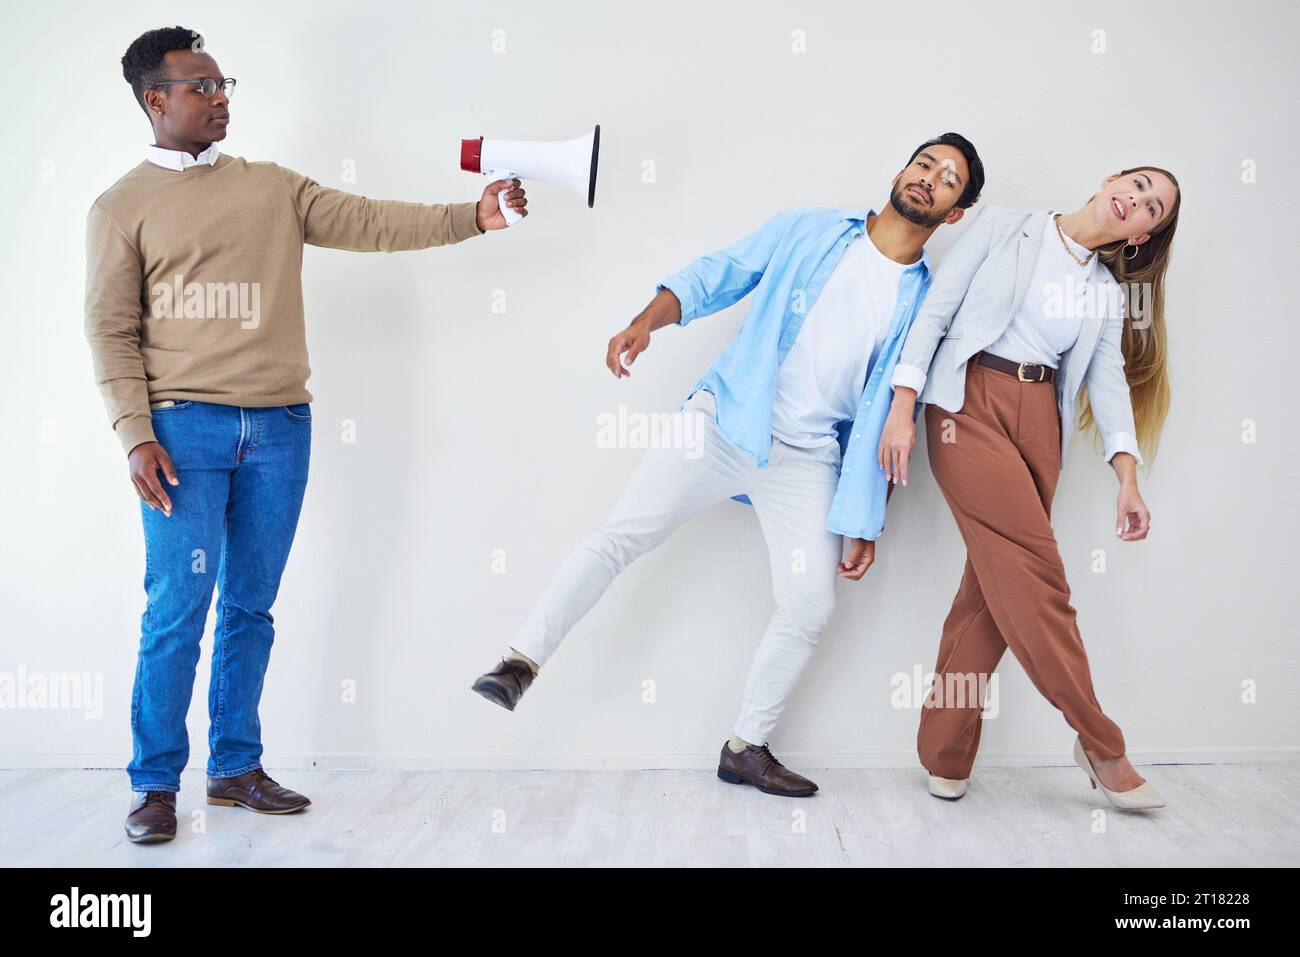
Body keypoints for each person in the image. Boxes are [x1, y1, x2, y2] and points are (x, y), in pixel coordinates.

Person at [85, 26, 526, 844]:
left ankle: (235, 768)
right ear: (156, 100)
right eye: (201, 87)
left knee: (251, 605)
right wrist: (134, 432)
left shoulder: (271, 186)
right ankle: (154, 784)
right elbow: (110, 331)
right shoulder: (120, 207)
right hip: (183, 431)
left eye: (225, 85)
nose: (220, 99)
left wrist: (475, 215)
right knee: (178, 607)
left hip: (282, 427)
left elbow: (367, 221)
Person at [473, 134, 986, 797]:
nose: (930, 178)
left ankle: (746, 746)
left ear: (955, 213)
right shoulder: (811, 230)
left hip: (805, 460)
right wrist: (646, 322)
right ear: (899, 171)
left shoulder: (924, 300)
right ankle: (520, 660)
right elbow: (722, 272)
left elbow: (887, 420)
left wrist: (866, 516)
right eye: (925, 164)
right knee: (621, 535)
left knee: (810, 604)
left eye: (948, 180)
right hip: (723, 420)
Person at [877, 166, 1179, 810]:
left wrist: (1128, 478)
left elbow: (1107, 383)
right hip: (968, 406)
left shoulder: (1103, 292)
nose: (1138, 200)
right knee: (1039, 581)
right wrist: (903, 406)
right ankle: (1101, 743)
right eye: (1141, 184)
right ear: (1111, 180)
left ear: (1142, 236)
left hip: (1041, 423)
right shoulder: (1005, 227)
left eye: (1153, 207)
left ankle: (945, 752)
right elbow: (936, 312)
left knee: (990, 592)